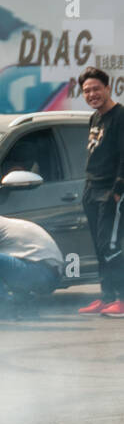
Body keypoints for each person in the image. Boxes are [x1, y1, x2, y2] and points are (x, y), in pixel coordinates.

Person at [74, 67, 124, 318]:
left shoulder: (120, 116)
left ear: (108, 88)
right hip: (92, 189)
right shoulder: (95, 118)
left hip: (111, 191)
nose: (92, 94)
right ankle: (107, 297)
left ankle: (122, 299)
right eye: (86, 91)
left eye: (96, 89)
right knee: (98, 245)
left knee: (111, 245)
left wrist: (118, 189)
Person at [0, 215, 63, 318]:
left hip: (37, 271)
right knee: (6, 264)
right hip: (53, 277)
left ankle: (1, 303)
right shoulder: (7, 224)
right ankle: (25, 305)